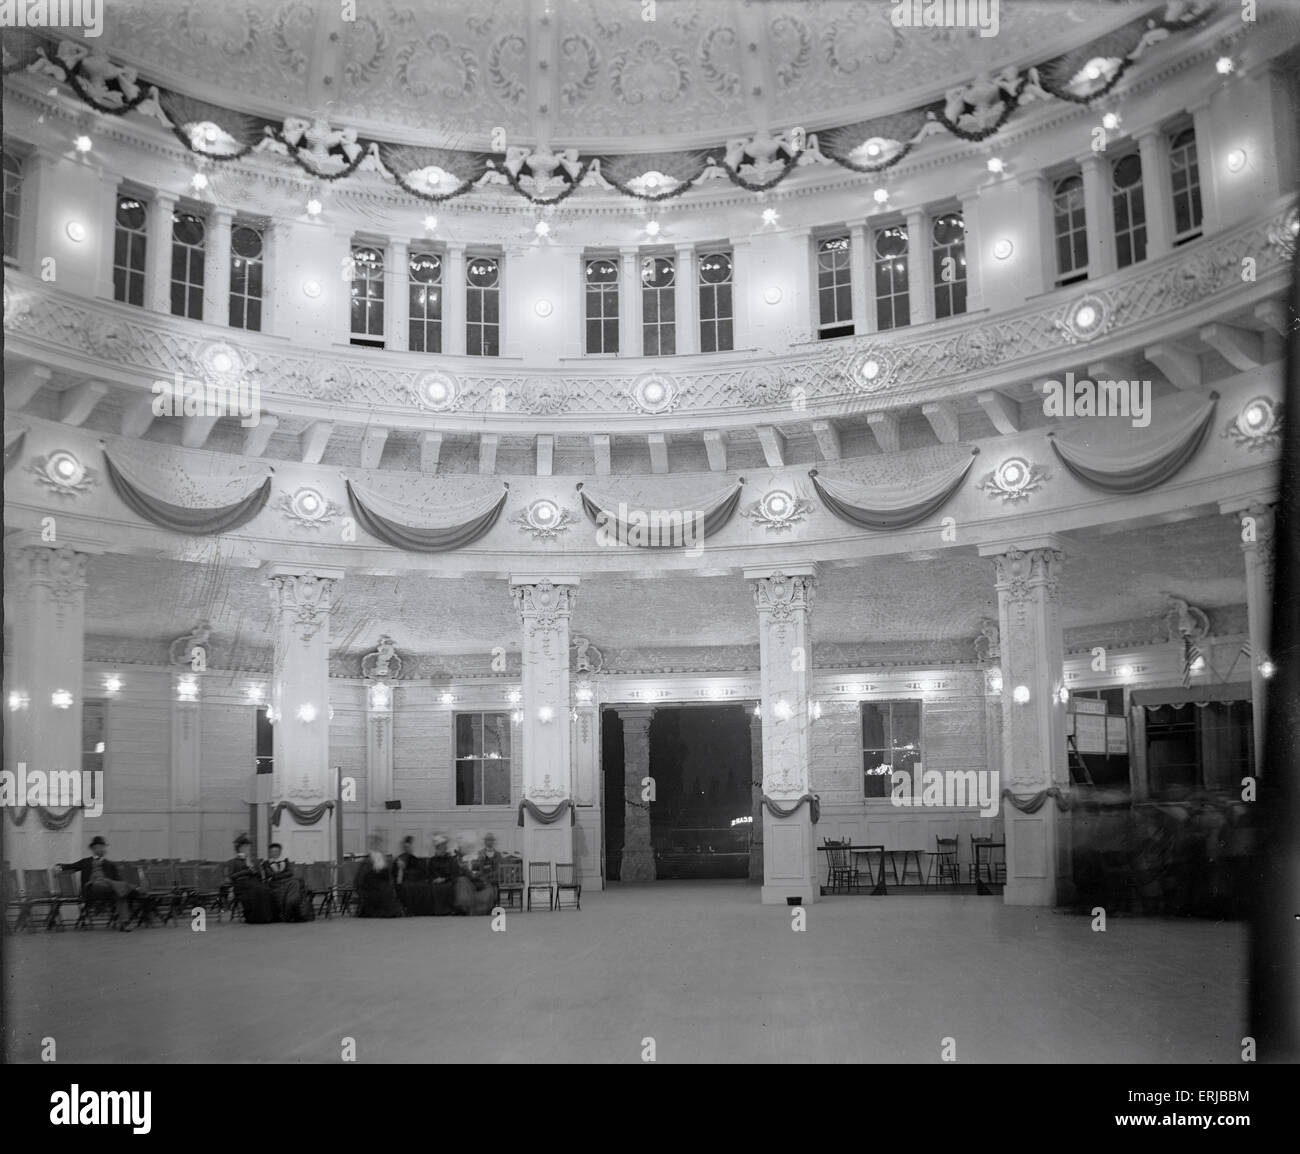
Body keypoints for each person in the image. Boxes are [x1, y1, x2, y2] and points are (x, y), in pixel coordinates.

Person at [59, 836, 139, 931]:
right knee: (106, 885)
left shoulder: (110, 864)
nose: (101, 849)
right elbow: (71, 866)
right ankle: (136, 889)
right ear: (93, 849)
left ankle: (124, 923)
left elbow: (118, 880)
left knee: (120, 894)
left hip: (108, 891)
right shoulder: (86, 862)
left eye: (102, 847)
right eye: (98, 847)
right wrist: (58, 867)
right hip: (92, 889)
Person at [226, 834, 277, 923]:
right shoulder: (233, 862)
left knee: (265, 889)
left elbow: (258, 874)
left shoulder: (252, 861)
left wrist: (255, 870)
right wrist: (247, 871)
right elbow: (232, 876)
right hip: (240, 884)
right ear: (240, 848)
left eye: (248, 847)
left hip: (252, 882)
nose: (247, 849)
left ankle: (267, 917)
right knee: (257, 889)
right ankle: (255, 917)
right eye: (245, 847)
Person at [355, 835, 403, 917]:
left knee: (388, 890)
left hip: (381, 884)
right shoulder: (368, 860)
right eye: (376, 844)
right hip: (370, 886)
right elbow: (362, 878)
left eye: (379, 844)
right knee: (384, 891)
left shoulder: (382, 857)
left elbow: (386, 874)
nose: (378, 846)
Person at [262, 842, 312, 922]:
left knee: (296, 883)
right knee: (294, 883)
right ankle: (289, 910)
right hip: (274, 885)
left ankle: (292, 909)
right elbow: (270, 874)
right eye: (273, 852)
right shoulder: (266, 863)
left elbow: (290, 872)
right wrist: (282, 874)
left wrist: (277, 874)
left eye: (277, 851)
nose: (275, 853)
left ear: (280, 852)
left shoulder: (285, 861)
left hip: (286, 882)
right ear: (270, 853)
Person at [394, 835, 434, 916]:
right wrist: (402, 870)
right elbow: (395, 873)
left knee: (422, 887)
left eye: (410, 846)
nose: (408, 848)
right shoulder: (399, 859)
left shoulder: (414, 859)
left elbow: (421, 872)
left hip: (415, 880)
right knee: (407, 887)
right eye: (406, 846)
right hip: (404, 880)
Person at [468, 832, 502, 916]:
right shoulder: (480, 853)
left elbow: (499, 868)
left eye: (491, 840)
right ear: (485, 842)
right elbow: (477, 868)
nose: (489, 842)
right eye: (487, 840)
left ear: (493, 842)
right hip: (483, 877)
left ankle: (493, 906)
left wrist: (492, 874)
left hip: (494, 877)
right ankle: (484, 907)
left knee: (494, 884)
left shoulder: (498, 854)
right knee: (482, 884)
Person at [427, 834, 460, 916]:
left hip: (448, 880)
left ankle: (449, 910)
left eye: (445, 845)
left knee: (448, 886)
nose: (445, 847)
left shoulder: (450, 859)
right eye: (443, 846)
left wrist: (444, 879)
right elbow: (429, 874)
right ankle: (438, 910)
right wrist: (435, 879)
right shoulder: (432, 860)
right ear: (438, 847)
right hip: (436, 881)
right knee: (435, 887)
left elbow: (455, 873)